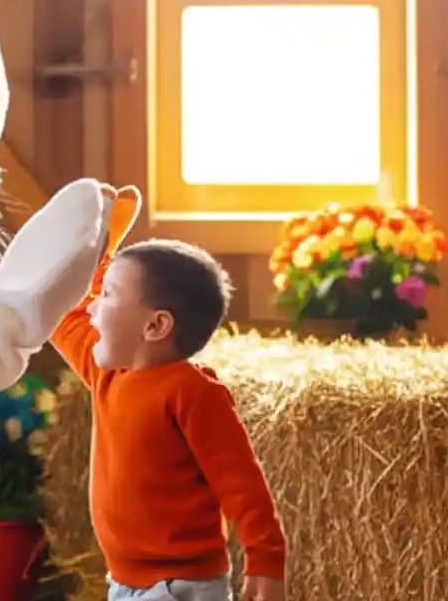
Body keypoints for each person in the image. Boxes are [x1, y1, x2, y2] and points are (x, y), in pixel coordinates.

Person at [50, 185, 288, 601]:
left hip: (182, 588)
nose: (92, 307)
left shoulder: (192, 392)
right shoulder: (108, 373)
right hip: (122, 583)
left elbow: (243, 486)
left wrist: (266, 562)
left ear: (156, 327)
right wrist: (103, 240)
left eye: (107, 295)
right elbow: (63, 310)